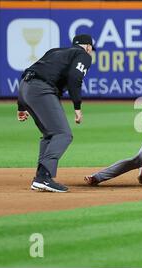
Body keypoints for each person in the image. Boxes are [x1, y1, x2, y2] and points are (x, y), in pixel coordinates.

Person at [17, 34, 94, 192]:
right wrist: (77, 106)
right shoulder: (83, 55)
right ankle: (43, 177)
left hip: (26, 87)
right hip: (40, 89)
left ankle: (40, 177)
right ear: (88, 47)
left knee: (50, 134)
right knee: (63, 134)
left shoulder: (55, 51)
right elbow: (75, 77)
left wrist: (21, 106)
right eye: (91, 48)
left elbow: (29, 73)